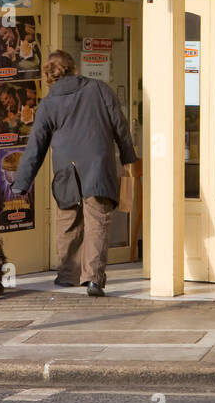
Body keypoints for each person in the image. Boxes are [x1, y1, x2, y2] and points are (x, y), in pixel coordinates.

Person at [11, 50, 138, 296]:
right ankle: (93, 279)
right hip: (98, 168)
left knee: (68, 223)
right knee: (96, 223)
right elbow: (120, 125)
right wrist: (128, 157)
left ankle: (67, 275)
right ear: (74, 69)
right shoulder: (99, 89)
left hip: (65, 170)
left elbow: (36, 146)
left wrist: (21, 183)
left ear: (49, 76)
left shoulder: (48, 103)